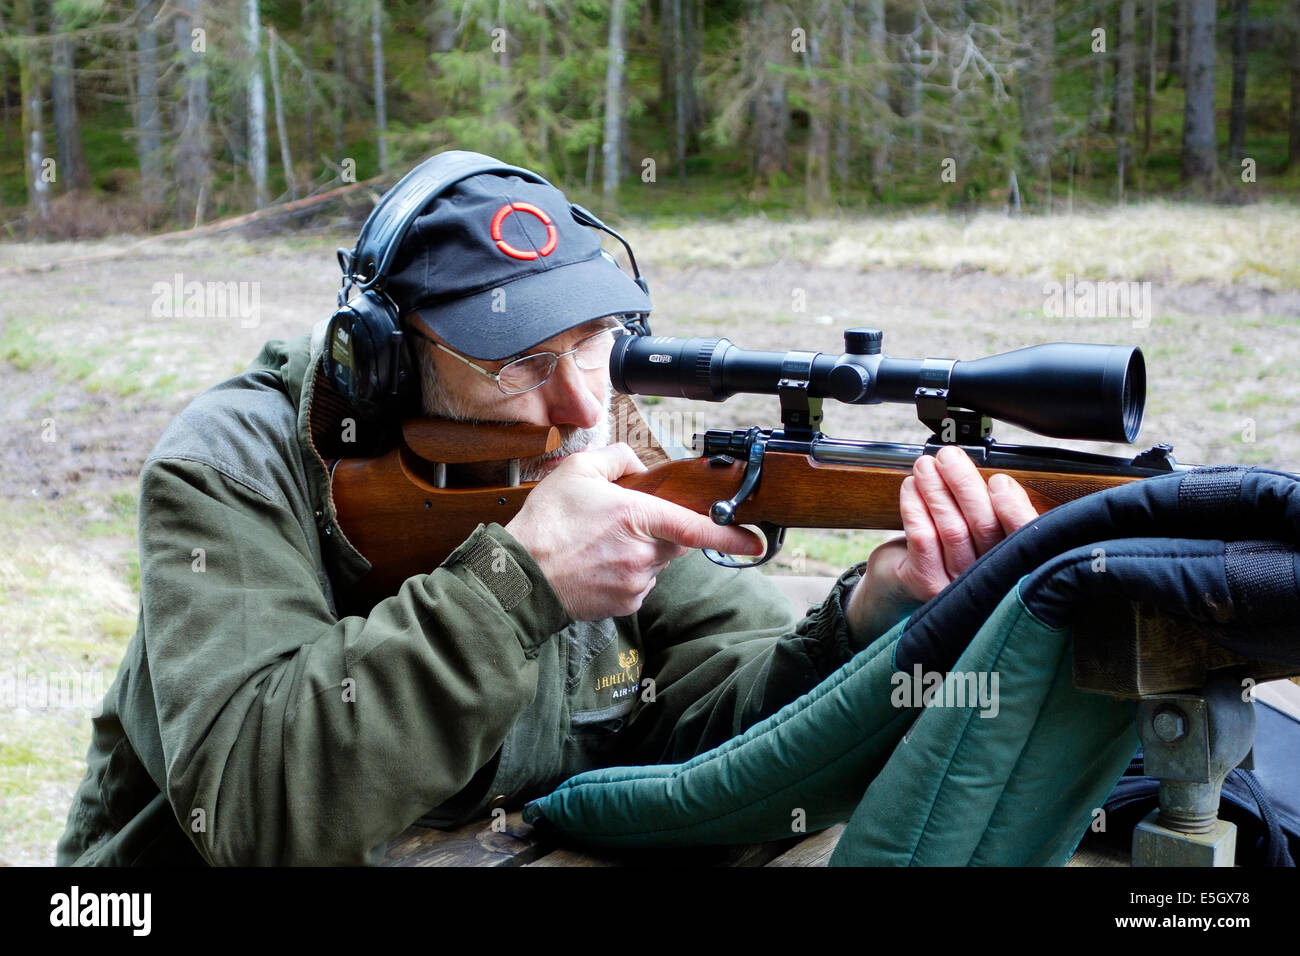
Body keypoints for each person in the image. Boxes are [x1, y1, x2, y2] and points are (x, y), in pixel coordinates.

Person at [57, 159, 1038, 866]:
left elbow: (713, 735)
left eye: (597, 343)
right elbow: (257, 810)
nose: (578, 406)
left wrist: (869, 611)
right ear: (388, 361)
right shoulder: (232, 462)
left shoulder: (601, 424)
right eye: (519, 361)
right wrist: (514, 588)